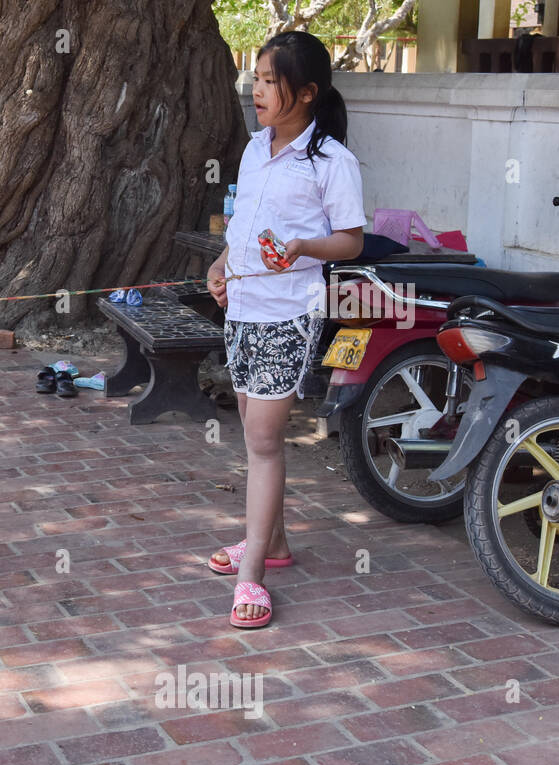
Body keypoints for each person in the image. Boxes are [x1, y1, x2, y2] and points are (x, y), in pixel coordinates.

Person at [204, 31, 365, 629]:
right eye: (258, 78)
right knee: (252, 431)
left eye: (271, 81)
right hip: (242, 307)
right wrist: (221, 268)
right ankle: (271, 543)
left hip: (288, 313)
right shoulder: (253, 149)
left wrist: (301, 247)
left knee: (265, 441)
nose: (258, 90)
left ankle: (253, 581)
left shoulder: (331, 161)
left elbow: (351, 240)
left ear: (306, 93)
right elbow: (240, 224)